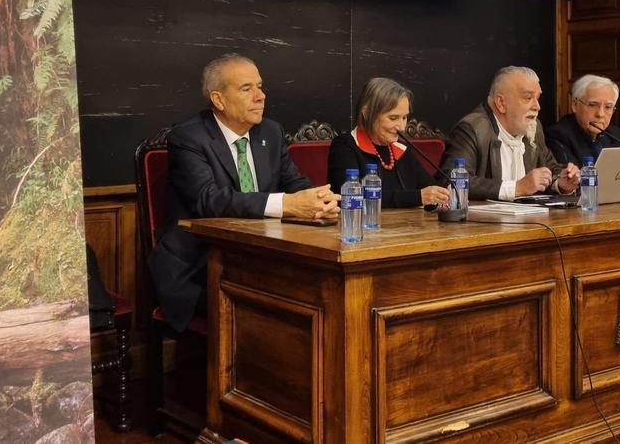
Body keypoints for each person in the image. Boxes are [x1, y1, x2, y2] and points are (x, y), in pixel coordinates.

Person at [148, 54, 340, 332]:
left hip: (263, 259)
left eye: (260, 87)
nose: (260, 96)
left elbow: (296, 183)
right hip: (200, 269)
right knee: (281, 306)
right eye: (246, 89)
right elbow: (209, 200)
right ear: (218, 99)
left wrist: (319, 201)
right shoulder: (189, 138)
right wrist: (287, 204)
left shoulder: (271, 132)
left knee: (319, 296)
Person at [442, 66, 580, 200]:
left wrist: (561, 182)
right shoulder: (472, 128)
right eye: (528, 98)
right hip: (484, 221)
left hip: (529, 220)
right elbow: (451, 180)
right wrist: (517, 188)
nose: (537, 106)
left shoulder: (533, 127)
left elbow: (550, 168)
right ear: (501, 103)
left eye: (537, 98)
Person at [327, 77, 451, 208]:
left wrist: (445, 192)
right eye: (393, 118)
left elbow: (429, 188)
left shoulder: (401, 149)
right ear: (367, 113)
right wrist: (418, 197)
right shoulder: (345, 146)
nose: (402, 127)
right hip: (362, 226)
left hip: (407, 226)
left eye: (404, 117)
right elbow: (351, 196)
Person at [545, 74, 620, 181]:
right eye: (593, 105)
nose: (600, 114)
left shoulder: (615, 134)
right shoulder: (558, 134)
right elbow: (573, 177)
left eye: (608, 107)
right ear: (575, 105)